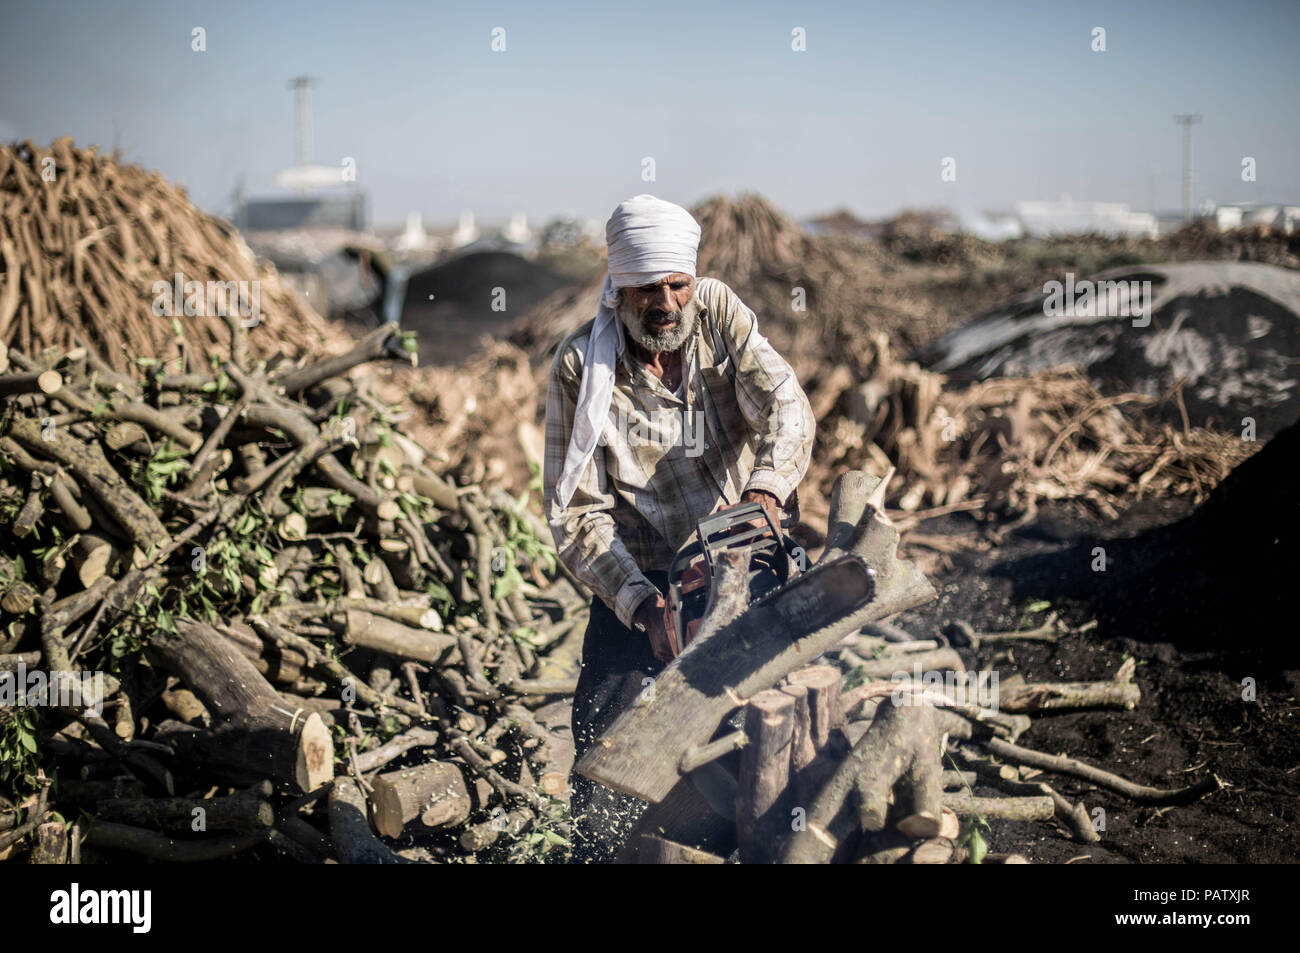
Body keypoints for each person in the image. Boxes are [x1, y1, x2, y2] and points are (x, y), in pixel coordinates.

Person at [544, 194, 815, 862]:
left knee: (763, 753)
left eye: (676, 284)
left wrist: (764, 496)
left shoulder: (718, 315)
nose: (665, 302)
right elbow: (576, 514)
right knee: (606, 766)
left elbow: (786, 405)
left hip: (737, 569)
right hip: (639, 585)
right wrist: (644, 607)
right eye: (646, 290)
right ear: (619, 288)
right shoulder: (582, 365)